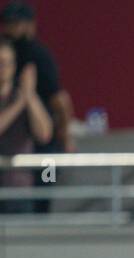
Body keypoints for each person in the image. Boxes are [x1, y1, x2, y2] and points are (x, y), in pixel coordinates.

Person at [2, 2, 72, 213]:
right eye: (7, 23)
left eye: (15, 23)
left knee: (45, 182)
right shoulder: (10, 49)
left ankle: (43, 214)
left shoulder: (38, 56)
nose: (11, 28)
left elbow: (61, 101)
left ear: (29, 25)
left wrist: (65, 136)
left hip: (46, 142)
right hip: (18, 134)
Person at [0, 36, 50, 213]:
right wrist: (19, 103)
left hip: (19, 190)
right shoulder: (19, 101)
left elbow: (44, 134)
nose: (3, 69)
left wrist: (29, 96)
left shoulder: (25, 97)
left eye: (7, 63)